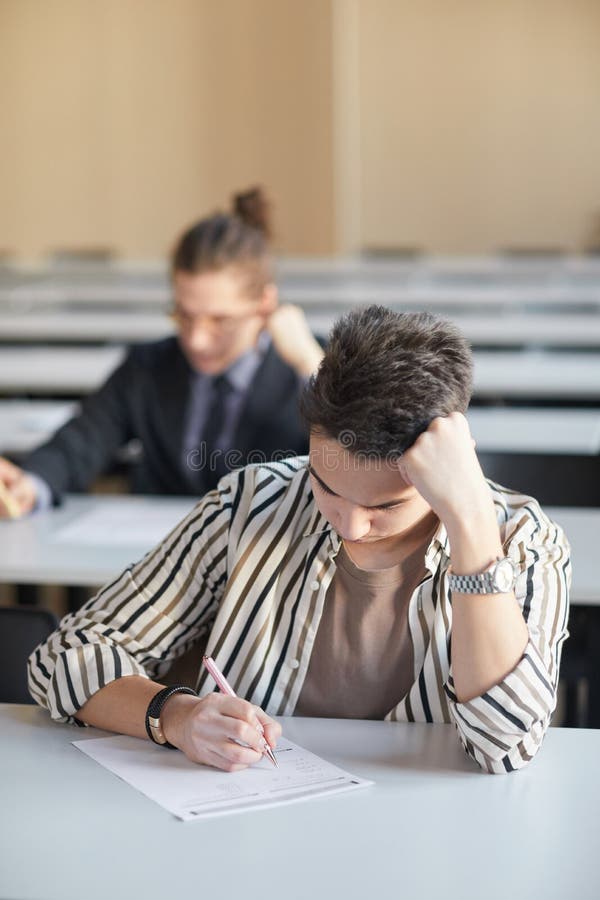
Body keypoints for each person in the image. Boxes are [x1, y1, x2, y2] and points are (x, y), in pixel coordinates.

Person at [28, 307, 570, 774]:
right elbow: (63, 659)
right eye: (328, 488)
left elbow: (504, 744)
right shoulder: (253, 503)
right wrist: (176, 716)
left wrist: (471, 526)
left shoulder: (522, 539)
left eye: (386, 506)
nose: (352, 526)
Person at [0, 186, 323, 516]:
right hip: (164, 558)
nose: (196, 339)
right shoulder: (147, 366)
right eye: (184, 315)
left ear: (265, 304)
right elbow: (83, 440)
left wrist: (312, 366)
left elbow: (361, 461)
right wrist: (30, 485)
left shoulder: (312, 367)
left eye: (221, 320)